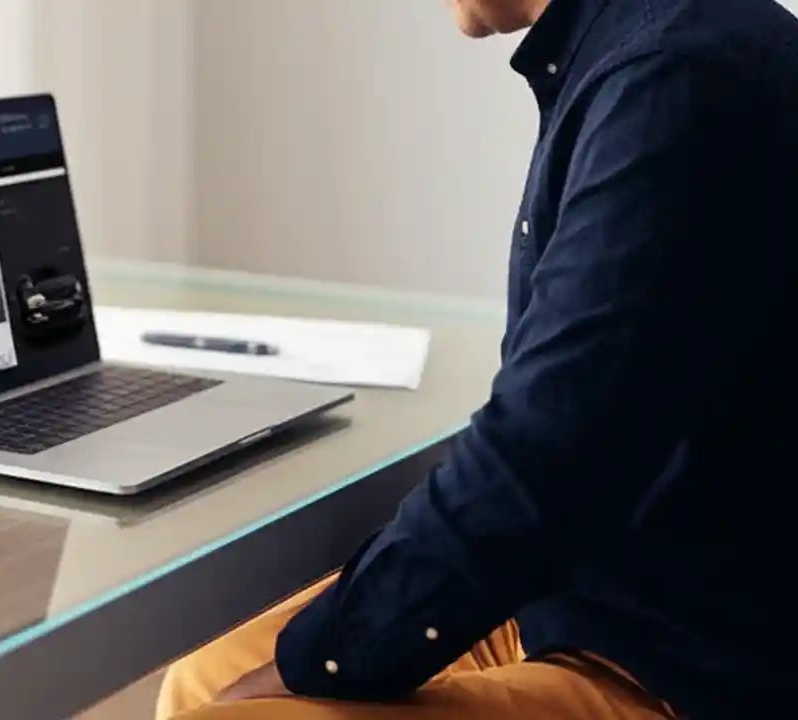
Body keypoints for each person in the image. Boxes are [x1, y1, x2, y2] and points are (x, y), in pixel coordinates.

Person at [156, 0, 798, 718]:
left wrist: (320, 659)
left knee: (239, 708)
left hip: (679, 663)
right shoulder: (657, 47)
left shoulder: (671, 82)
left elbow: (542, 462)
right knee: (203, 683)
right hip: (592, 590)